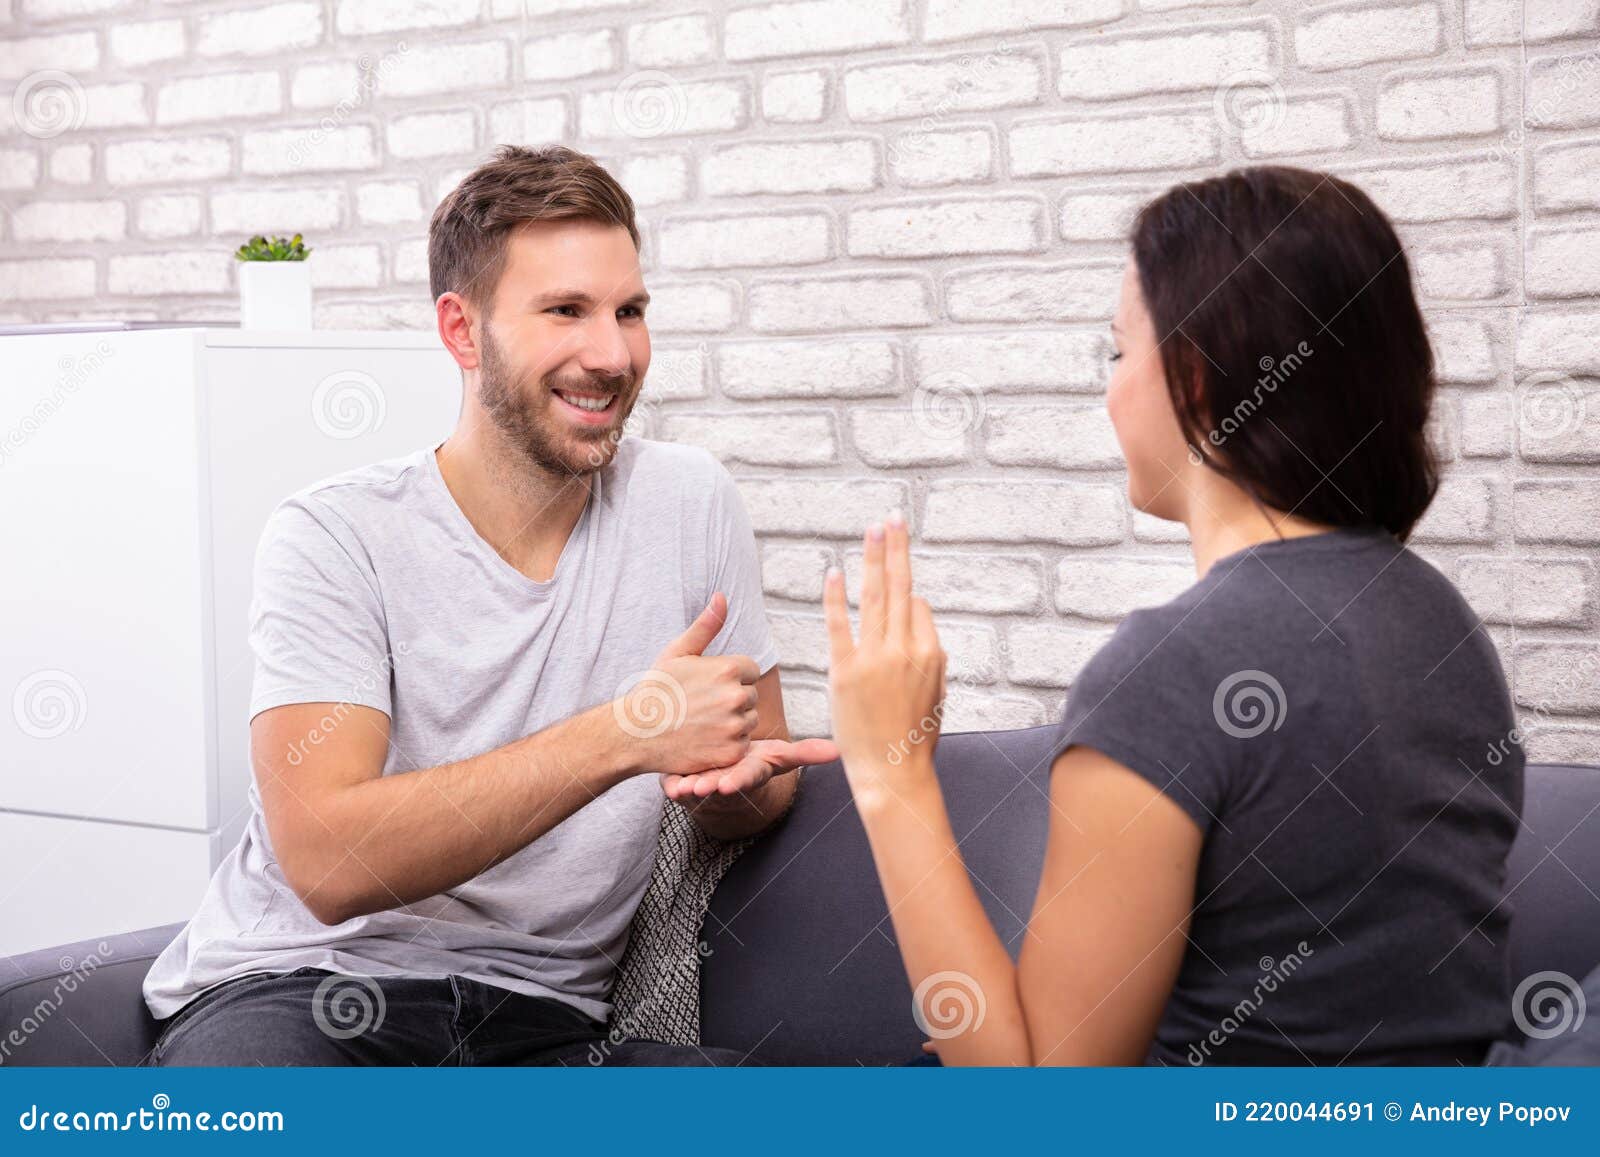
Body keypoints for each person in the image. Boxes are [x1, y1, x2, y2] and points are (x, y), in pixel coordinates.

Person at [143, 145, 834, 1066]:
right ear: (462, 331)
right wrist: (627, 733)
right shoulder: (335, 535)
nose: (613, 354)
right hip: (305, 992)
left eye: (630, 311)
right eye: (566, 311)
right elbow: (328, 861)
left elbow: (763, 773)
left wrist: (733, 789)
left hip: (547, 1023)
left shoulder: (690, 500)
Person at [821, 166, 1523, 1066]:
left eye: (1119, 354)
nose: (1110, 391)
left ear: (1192, 380)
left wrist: (891, 772)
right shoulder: (1443, 621)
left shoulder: (1175, 668)